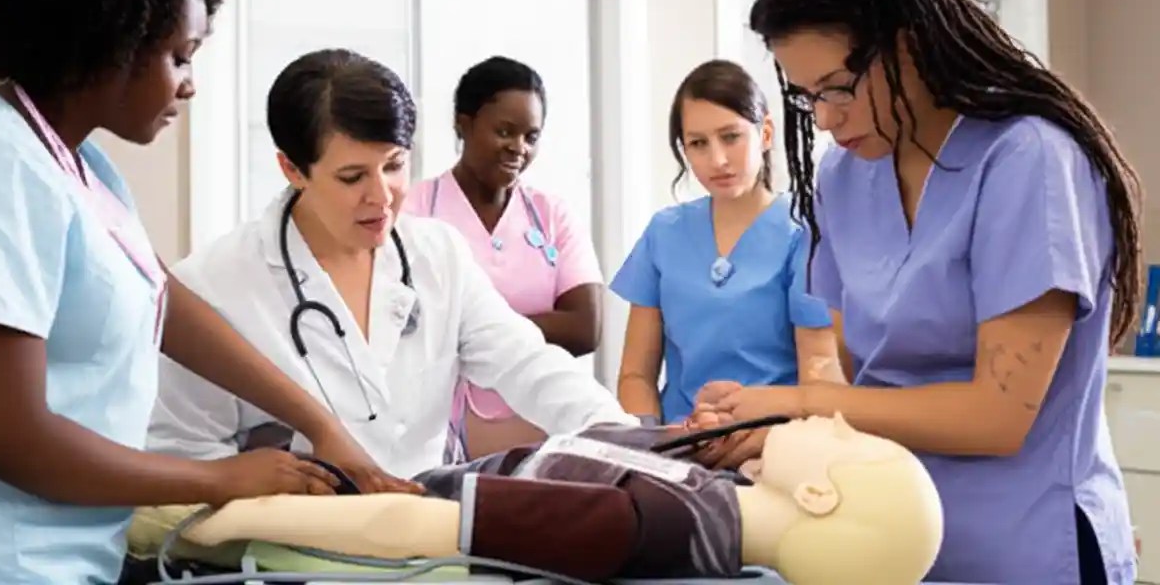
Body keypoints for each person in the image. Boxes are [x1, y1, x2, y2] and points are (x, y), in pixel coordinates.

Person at [0, 0, 414, 585]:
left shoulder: (77, 163)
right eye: (179, 56)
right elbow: (6, 440)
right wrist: (218, 477)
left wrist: (321, 423)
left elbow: (164, 302)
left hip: (60, 556)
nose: (189, 85)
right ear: (107, 45)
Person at [694, 0, 1141, 585]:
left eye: (838, 86)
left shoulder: (1027, 160)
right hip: (890, 538)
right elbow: (850, 385)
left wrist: (793, 405)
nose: (824, 116)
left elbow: (997, 416)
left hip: (1028, 547)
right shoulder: (844, 179)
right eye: (806, 95)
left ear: (910, 44)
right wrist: (762, 427)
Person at [146, 48, 635, 479]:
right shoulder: (213, 285)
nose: (381, 197)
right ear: (292, 169)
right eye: (352, 176)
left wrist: (619, 438)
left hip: (422, 545)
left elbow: (529, 364)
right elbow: (181, 450)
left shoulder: (437, 255)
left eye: (395, 165)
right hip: (282, 558)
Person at [126, 413, 944, 585]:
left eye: (846, 439)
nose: (832, 419)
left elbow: (410, 526)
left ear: (818, 495)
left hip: (371, 503)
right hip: (392, 472)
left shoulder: (655, 523)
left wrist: (206, 522)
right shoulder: (712, 488)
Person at [610, 60, 840, 427]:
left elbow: (818, 379)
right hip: (678, 443)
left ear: (765, 133)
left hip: (772, 441)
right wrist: (652, 440)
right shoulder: (664, 233)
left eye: (730, 137)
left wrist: (756, 435)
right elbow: (636, 375)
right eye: (698, 143)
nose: (716, 159)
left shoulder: (804, 231)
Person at [403, 56, 605, 458]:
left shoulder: (552, 214)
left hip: (545, 425)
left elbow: (585, 329)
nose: (519, 148)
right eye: (505, 131)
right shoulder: (414, 210)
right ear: (464, 124)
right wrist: (533, 326)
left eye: (532, 136)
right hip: (441, 429)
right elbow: (407, 327)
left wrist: (472, 329)